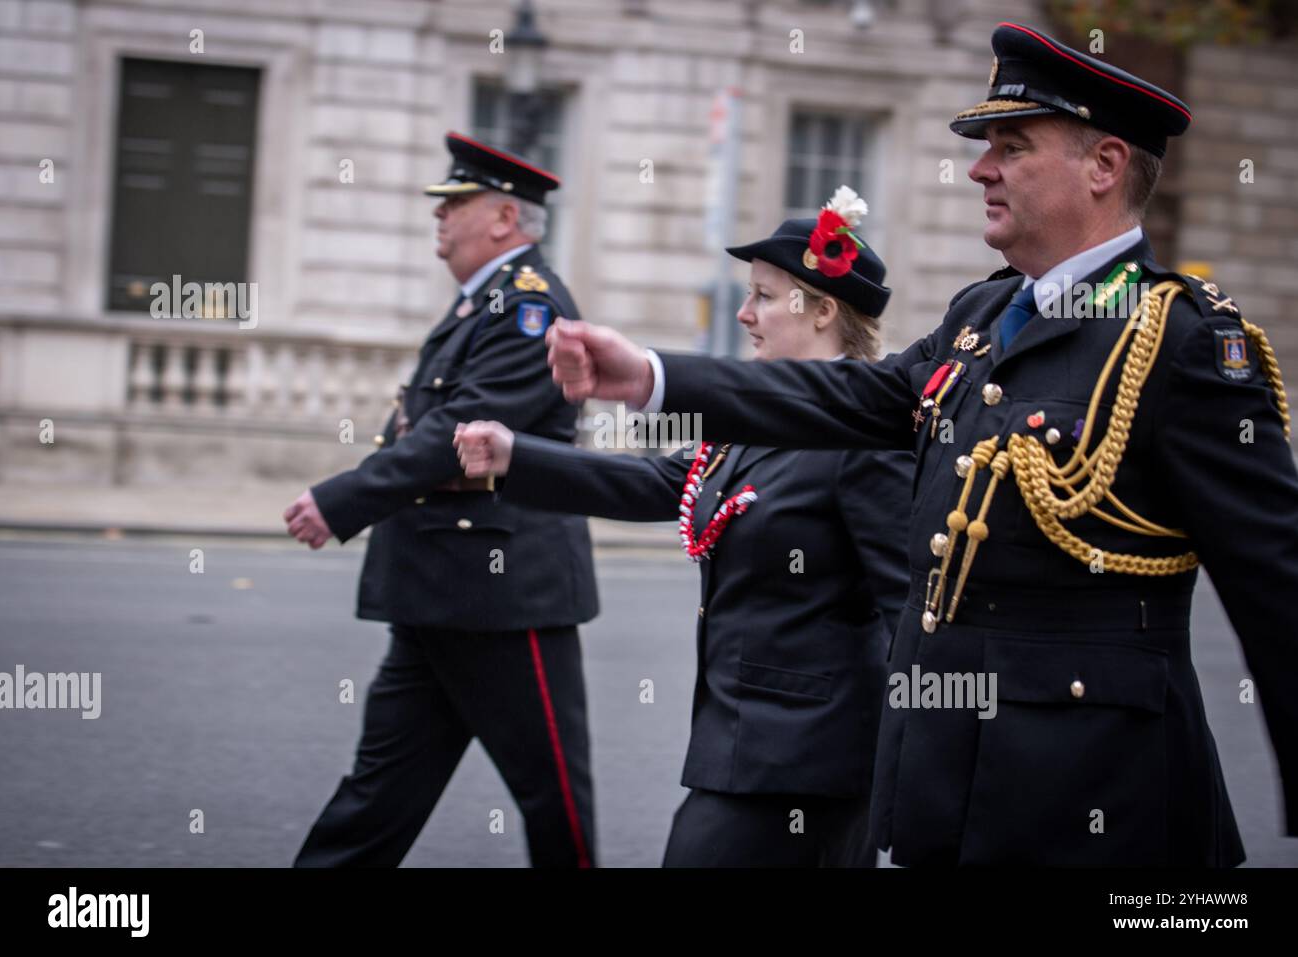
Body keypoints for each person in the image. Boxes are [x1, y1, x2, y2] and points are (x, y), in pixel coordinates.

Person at [539, 22, 1298, 866]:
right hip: (951, 788)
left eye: (1012, 146)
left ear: (1105, 165)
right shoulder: (980, 316)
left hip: (1101, 802)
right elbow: (851, 394)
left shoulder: (1183, 341)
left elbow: (1279, 584)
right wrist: (649, 375)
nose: (980, 168)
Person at [456, 191, 913, 866]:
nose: (743, 313)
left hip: (810, 763)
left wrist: (917, 765)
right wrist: (516, 457)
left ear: (822, 309)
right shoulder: (760, 415)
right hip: (738, 743)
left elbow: (911, 606)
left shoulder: (864, 436)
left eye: (763, 295)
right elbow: (663, 484)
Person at [284, 132, 599, 867]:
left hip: (502, 595)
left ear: (502, 219)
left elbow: (451, 433)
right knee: (379, 794)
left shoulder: (528, 307)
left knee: (554, 801)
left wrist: (341, 501)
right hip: (438, 590)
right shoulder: (478, 305)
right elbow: (420, 429)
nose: (440, 216)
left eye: (454, 203)